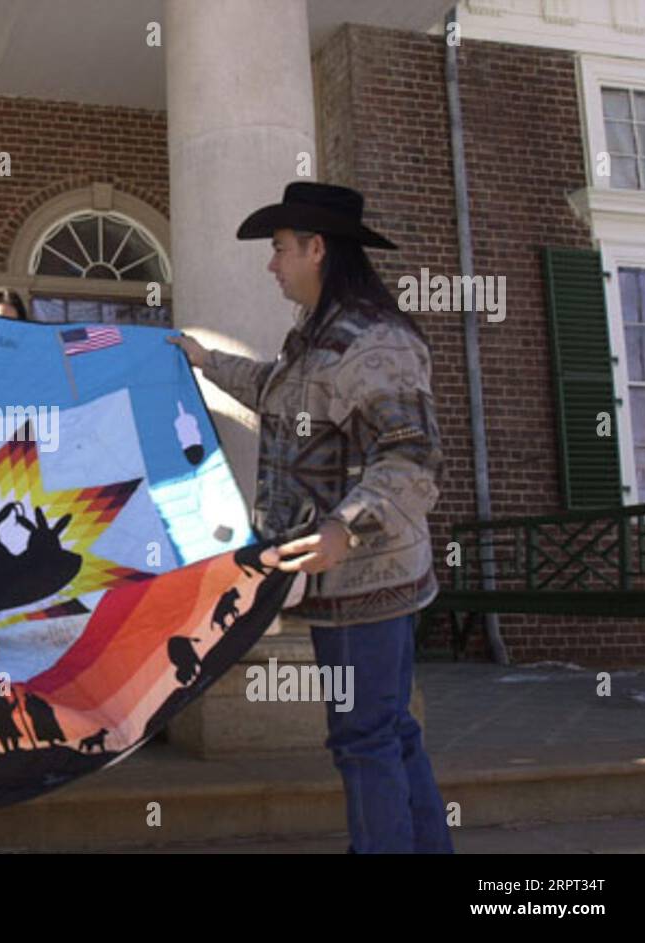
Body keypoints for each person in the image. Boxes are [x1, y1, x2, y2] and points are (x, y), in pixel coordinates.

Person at [168, 182, 453, 854]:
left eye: (279, 249)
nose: (272, 265)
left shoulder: (375, 342)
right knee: (386, 731)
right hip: (339, 584)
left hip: (365, 581)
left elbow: (413, 457)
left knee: (365, 738)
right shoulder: (319, 335)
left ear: (317, 248)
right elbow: (276, 389)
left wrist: (345, 527)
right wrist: (206, 363)